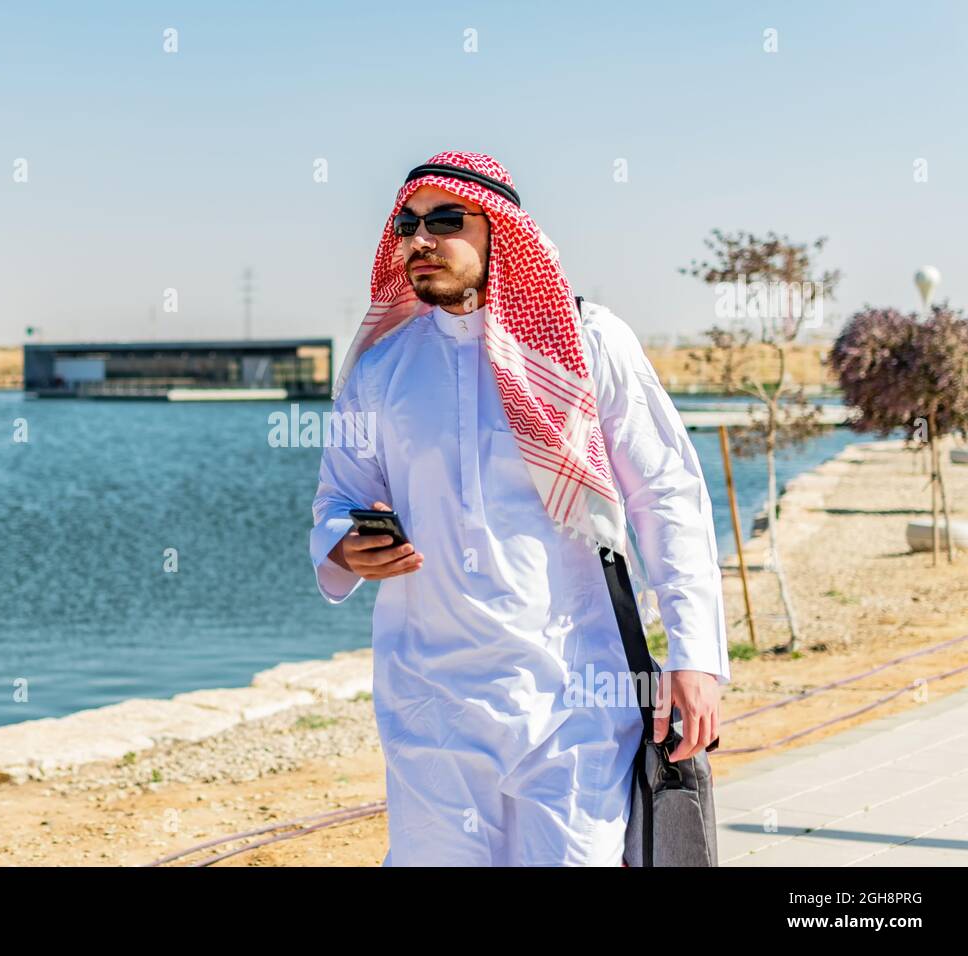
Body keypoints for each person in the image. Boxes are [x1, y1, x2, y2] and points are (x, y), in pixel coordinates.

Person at [308, 150, 730, 866]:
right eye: (407, 224)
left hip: (573, 701)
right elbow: (335, 502)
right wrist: (346, 546)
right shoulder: (383, 369)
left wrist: (697, 658)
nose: (420, 239)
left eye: (445, 220)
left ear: (501, 232)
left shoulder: (589, 344)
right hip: (429, 705)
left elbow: (666, 496)